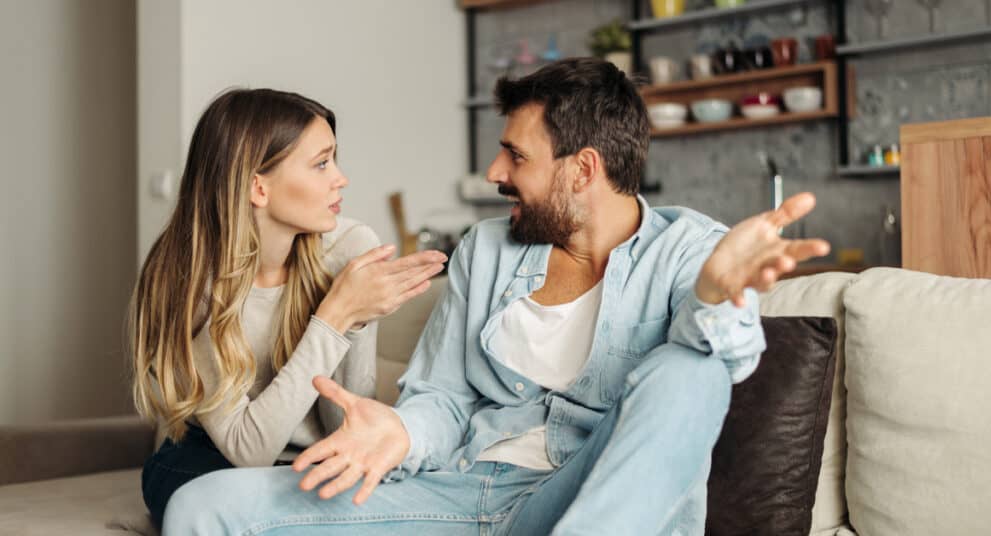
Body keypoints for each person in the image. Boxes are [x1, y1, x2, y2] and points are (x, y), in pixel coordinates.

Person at [161, 58, 830, 535]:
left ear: (583, 169)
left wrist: (714, 297)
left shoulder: (689, 251)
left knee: (692, 366)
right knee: (201, 507)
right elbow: (441, 398)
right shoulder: (487, 248)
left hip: (577, 499)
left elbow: (726, 364)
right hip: (452, 492)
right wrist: (398, 430)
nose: (493, 173)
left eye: (515, 156)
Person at [129, 88, 447, 526]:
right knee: (205, 497)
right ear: (258, 187)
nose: (341, 178)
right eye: (321, 163)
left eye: (334, 159)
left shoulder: (350, 249)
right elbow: (248, 451)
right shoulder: (190, 281)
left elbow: (342, 423)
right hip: (210, 458)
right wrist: (334, 316)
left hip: (315, 457)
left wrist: (352, 319)